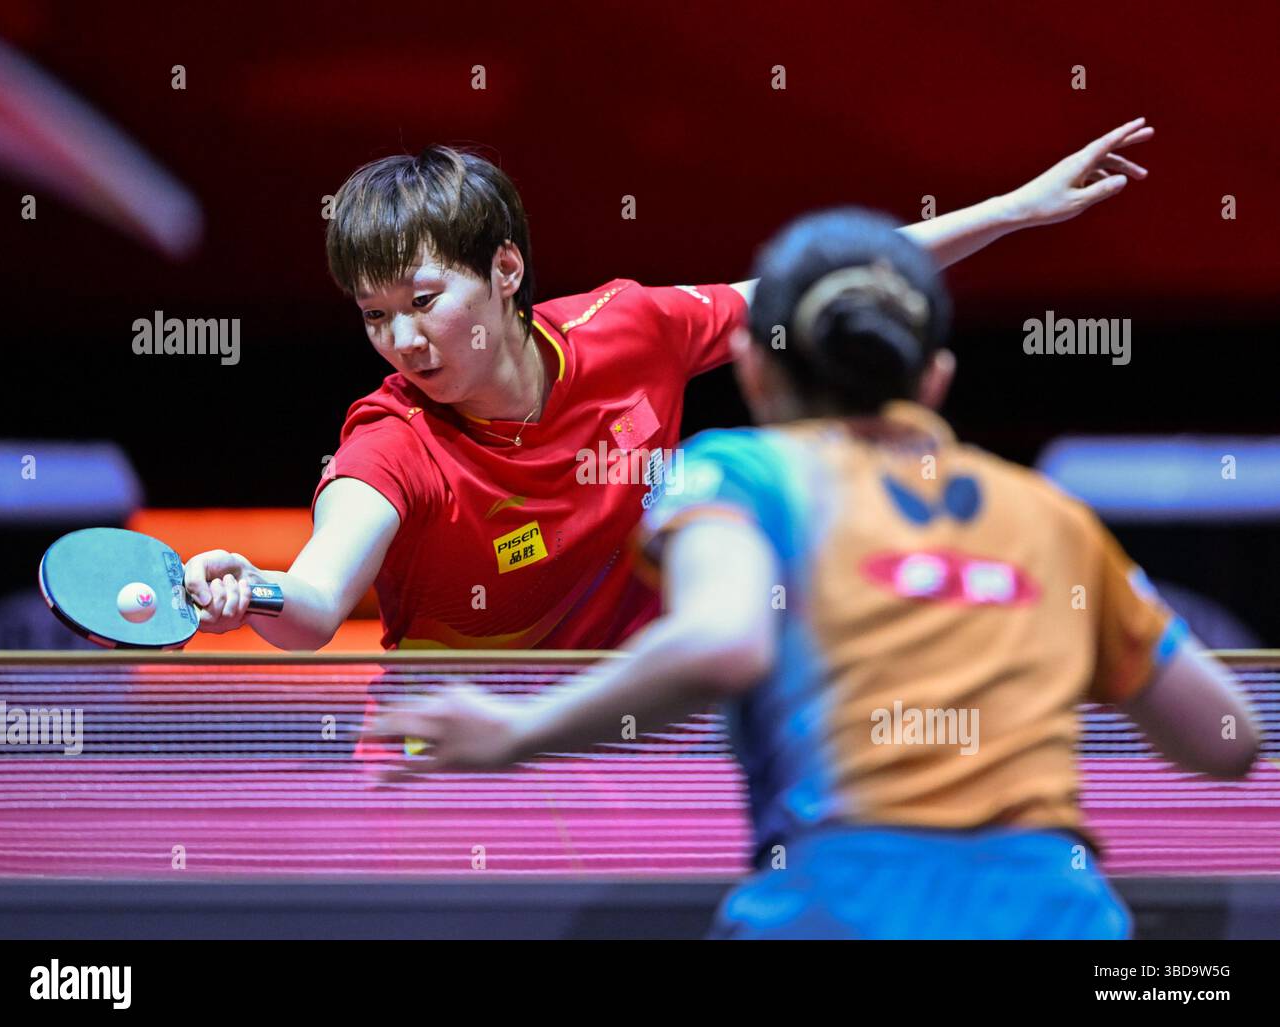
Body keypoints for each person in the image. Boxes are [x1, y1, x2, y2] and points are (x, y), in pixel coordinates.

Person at [369, 207, 1260, 939]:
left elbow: (720, 642)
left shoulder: (740, 474)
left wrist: (513, 732)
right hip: (1065, 922)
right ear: (937, 377)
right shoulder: (1053, 516)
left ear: (752, 370)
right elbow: (1228, 739)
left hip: (834, 913)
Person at [184, 119, 1155, 651]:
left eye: (423, 300)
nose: (398, 339)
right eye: (370, 313)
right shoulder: (391, 443)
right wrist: (251, 590)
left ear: (506, 272)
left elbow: (823, 281)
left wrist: (1019, 210)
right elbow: (315, 604)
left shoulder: (630, 328)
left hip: (633, 747)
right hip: (453, 756)